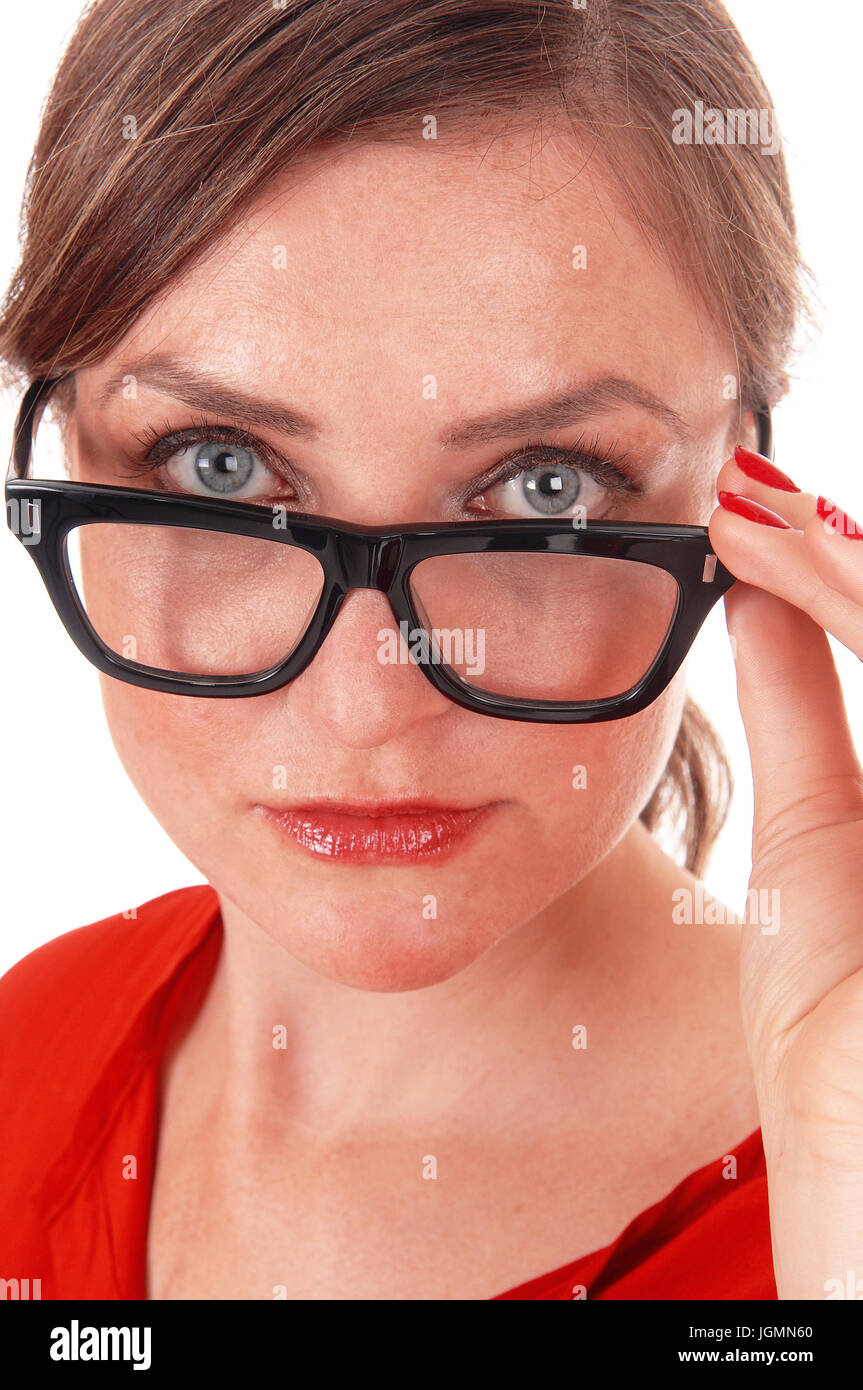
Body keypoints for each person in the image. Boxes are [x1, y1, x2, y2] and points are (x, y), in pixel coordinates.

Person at [1, 0, 861, 1301]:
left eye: (545, 489)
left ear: (747, 483)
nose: (364, 707)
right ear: (70, 450)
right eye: (219, 470)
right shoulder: (30, 1046)